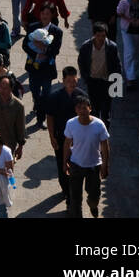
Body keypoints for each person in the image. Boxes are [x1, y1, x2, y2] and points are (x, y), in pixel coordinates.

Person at [64, 92, 110, 219]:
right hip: (76, 165)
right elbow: (67, 144)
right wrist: (65, 162)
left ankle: (93, 205)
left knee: (94, 196)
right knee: (75, 198)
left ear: (90, 108)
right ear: (75, 110)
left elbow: (105, 146)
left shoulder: (99, 125)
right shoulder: (71, 124)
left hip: (94, 166)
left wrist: (105, 165)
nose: (82, 110)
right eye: (79, 108)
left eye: (84, 107)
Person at [46, 66, 83, 210]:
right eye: (68, 81)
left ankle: (72, 194)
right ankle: (66, 190)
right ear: (63, 81)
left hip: (78, 140)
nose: (71, 84)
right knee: (62, 165)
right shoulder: (55, 97)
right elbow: (50, 117)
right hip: (61, 138)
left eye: (74, 81)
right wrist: (51, 136)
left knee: (76, 167)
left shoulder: (82, 97)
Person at [77, 23, 122, 127]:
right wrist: (85, 78)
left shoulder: (112, 47)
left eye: (103, 36)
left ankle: (105, 135)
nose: (101, 38)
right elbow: (81, 62)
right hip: (92, 82)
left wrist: (117, 86)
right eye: (98, 35)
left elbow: (117, 65)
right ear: (94, 35)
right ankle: (94, 134)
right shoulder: (86, 46)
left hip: (107, 82)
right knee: (94, 110)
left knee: (106, 112)